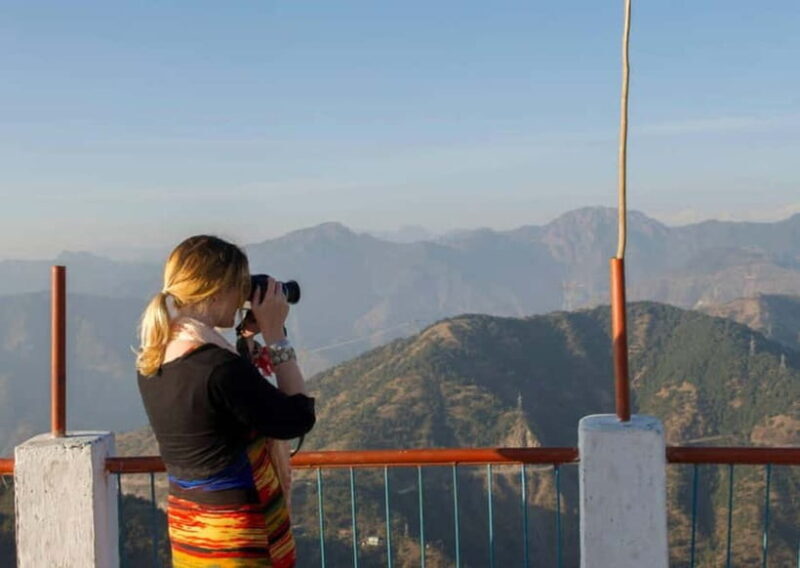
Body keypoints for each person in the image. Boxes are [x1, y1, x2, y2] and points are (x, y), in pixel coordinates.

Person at [135, 235, 315, 568]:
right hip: (240, 534)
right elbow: (297, 416)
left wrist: (245, 340)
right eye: (239, 286)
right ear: (216, 290)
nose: (242, 297)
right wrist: (276, 336)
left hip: (191, 529)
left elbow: (223, 412)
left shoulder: (154, 360)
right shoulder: (218, 368)